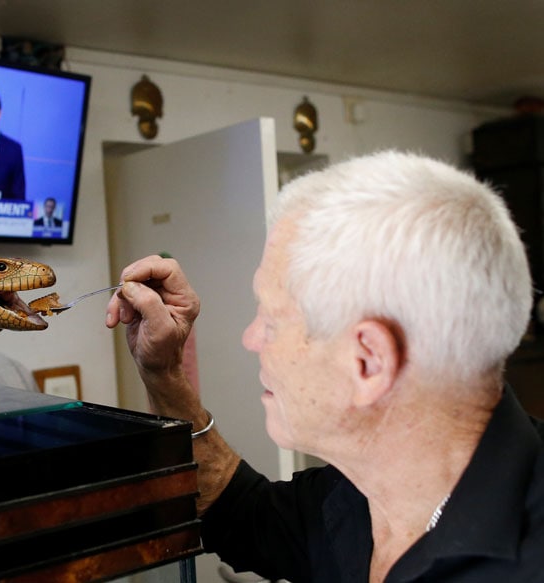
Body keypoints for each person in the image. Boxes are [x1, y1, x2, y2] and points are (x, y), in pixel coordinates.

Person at [106, 150, 544, 582]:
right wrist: (163, 371)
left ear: (368, 361)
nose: (251, 338)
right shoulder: (361, 492)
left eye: (272, 320)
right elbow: (239, 512)